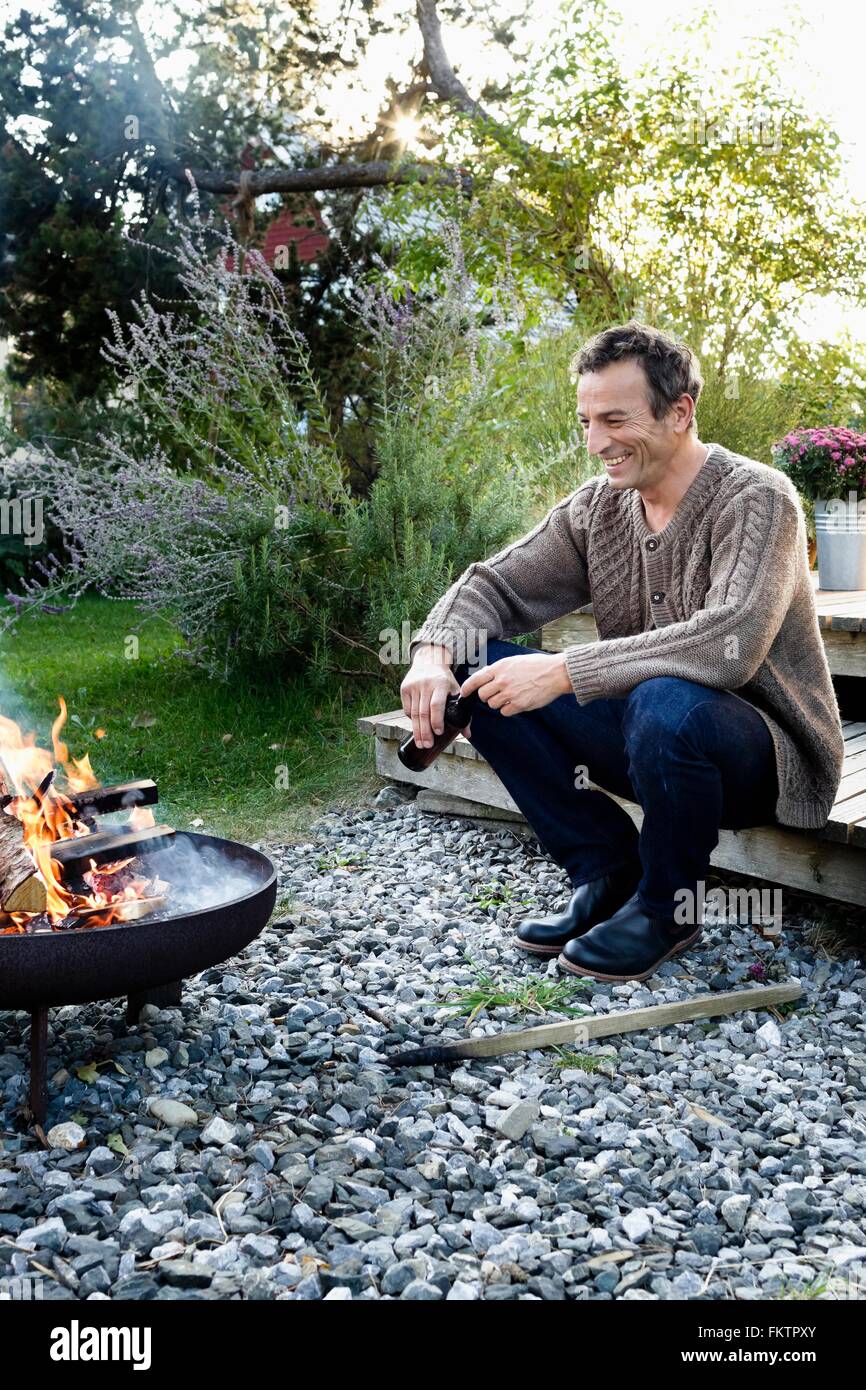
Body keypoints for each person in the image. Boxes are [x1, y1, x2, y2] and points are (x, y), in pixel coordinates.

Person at [399, 321, 845, 983]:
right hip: (653, 742)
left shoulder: (758, 498)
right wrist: (434, 655)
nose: (597, 442)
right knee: (478, 664)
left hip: (762, 756)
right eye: (586, 421)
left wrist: (563, 672)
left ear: (679, 412)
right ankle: (607, 871)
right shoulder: (601, 507)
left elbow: (728, 646)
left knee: (665, 699)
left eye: (614, 419)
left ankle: (669, 907)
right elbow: (492, 583)